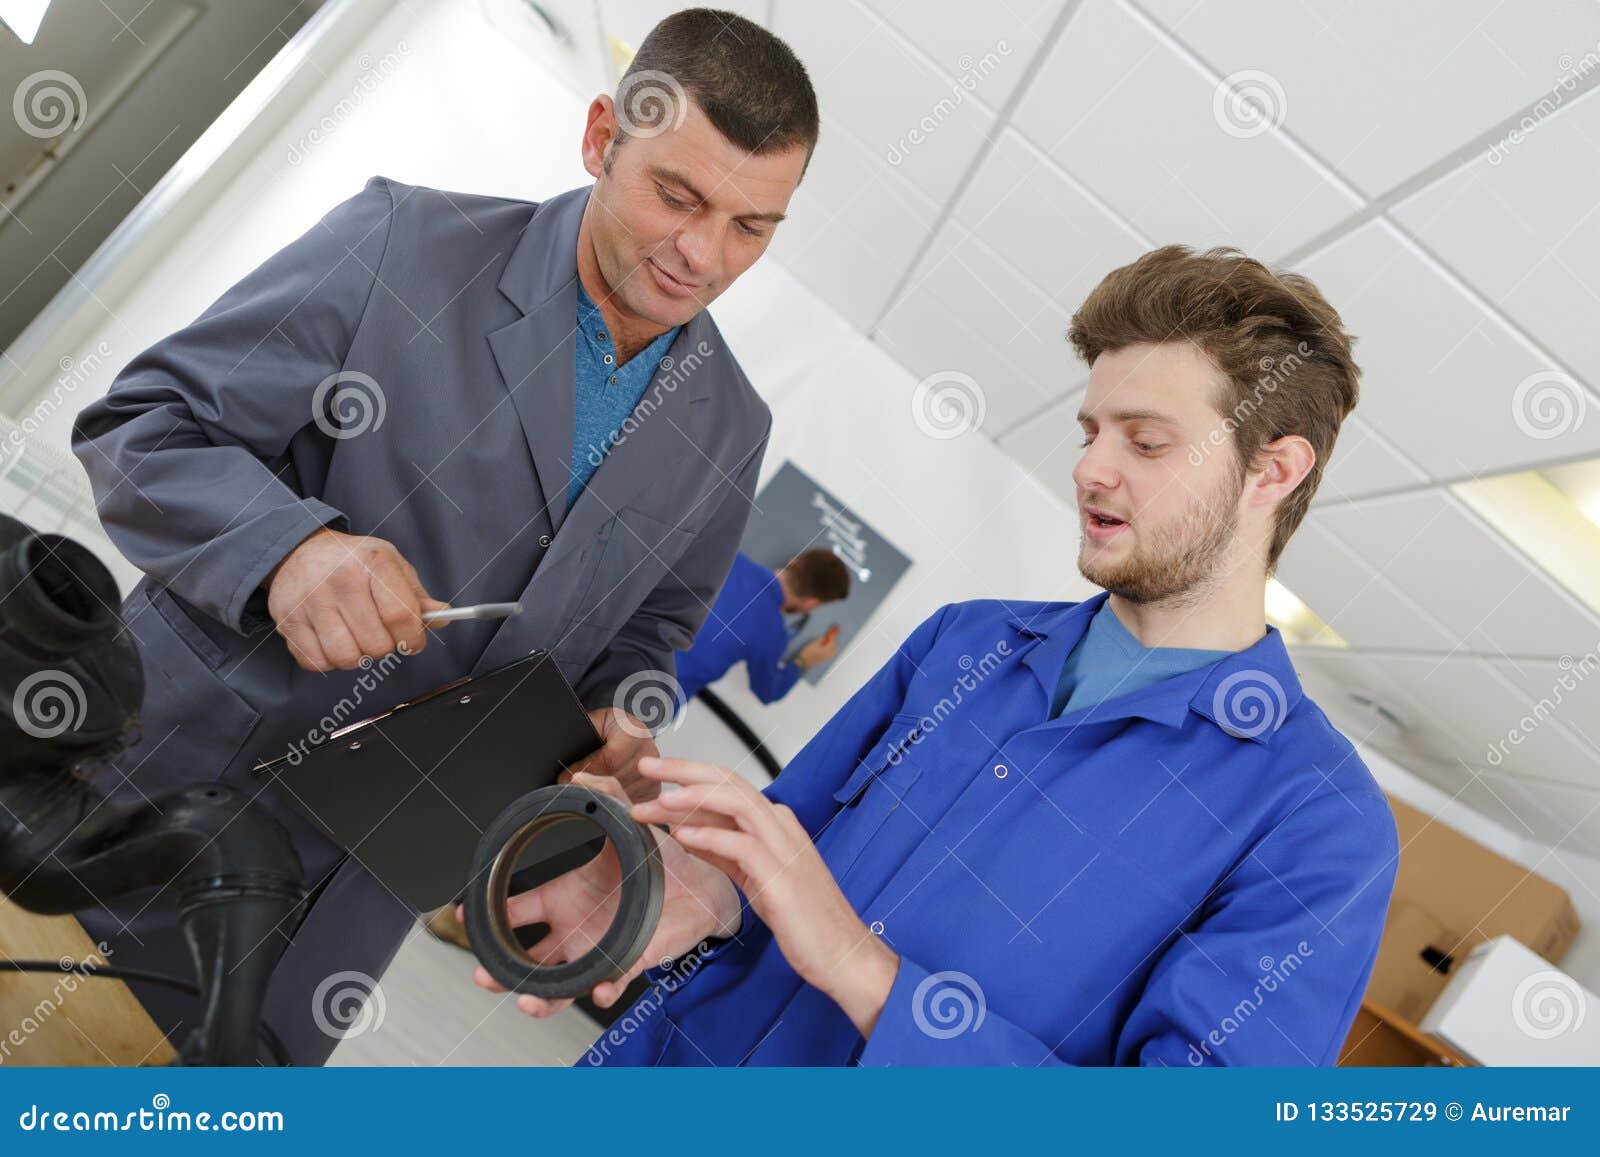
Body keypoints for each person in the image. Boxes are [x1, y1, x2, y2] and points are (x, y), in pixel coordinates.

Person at [68, 9, 818, 1065]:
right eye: (678, 196)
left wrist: (619, 716)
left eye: (751, 226)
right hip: (165, 798)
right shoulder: (405, 244)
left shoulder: (729, 427)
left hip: (350, 911)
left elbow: (651, 630)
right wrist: (287, 550)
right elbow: (141, 428)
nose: (703, 254)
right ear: (601, 137)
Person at [474, 245, 1401, 1067]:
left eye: (1146, 441)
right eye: (1090, 432)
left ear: (1273, 470)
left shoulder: (1320, 823)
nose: (1089, 468)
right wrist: (697, 890)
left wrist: (861, 968)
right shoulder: (967, 642)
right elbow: (777, 860)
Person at [675, 548, 851, 708]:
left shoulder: (727, 555)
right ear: (811, 603)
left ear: (793, 560)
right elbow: (768, 692)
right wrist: (805, 660)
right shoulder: (772, 634)